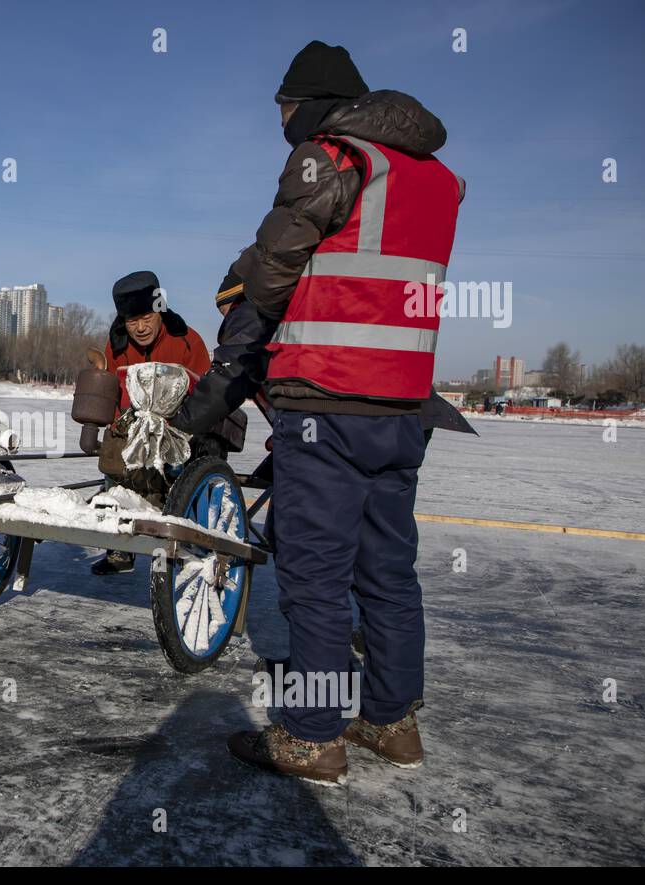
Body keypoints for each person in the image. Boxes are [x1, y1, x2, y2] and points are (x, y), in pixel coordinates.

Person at [172, 41, 464, 785]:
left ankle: (310, 736)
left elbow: (270, 278)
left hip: (324, 404)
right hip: (403, 408)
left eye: (284, 107)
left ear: (311, 104)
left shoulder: (331, 160)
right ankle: (393, 723)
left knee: (313, 576)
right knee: (389, 570)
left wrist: (224, 382)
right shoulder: (434, 179)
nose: (282, 122)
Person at [92, 270, 210, 575]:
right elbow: (114, 392)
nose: (140, 328)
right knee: (114, 460)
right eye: (132, 321)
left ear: (159, 311)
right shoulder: (116, 345)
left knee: (172, 471)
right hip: (134, 426)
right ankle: (119, 551)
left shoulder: (187, 341)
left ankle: (174, 544)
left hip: (180, 428)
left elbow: (205, 394)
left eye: (146, 317)